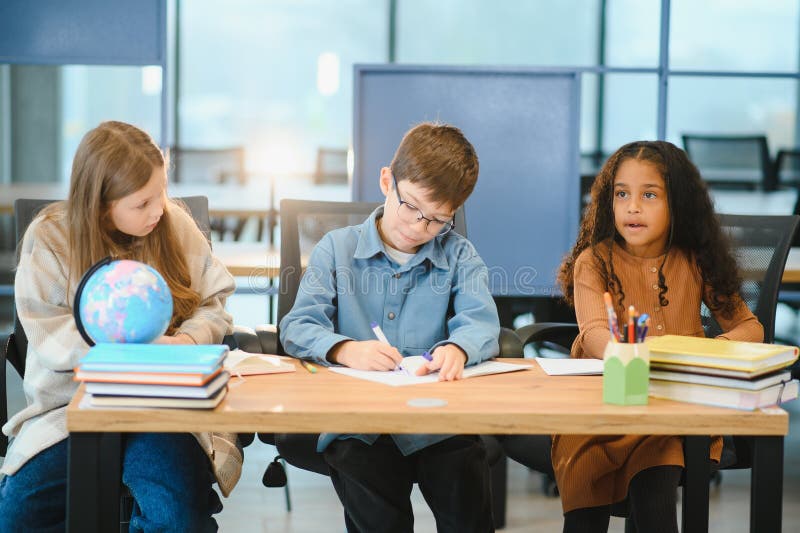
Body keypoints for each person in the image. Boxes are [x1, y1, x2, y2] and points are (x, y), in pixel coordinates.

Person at [0, 121, 242, 531]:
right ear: (100, 204)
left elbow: (214, 302)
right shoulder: (51, 239)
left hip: (162, 408)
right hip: (71, 410)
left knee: (175, 518)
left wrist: (186, 340)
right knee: (17, 517)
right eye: (141, 203)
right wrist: (133, 357)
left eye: (161, 192)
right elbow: (49, 334)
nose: (159, 210)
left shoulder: (173, 225)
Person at [279, 122, 500, 532]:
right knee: (373, 498)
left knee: (465, 486)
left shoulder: (459, 255)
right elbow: (297, 326)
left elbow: (481, 321)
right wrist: (345, 349)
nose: (418, 227)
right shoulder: (337, 248)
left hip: (436, 423)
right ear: (387, 181)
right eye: (411, 207)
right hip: (360, 425)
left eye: (436, 220)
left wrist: (459, 349)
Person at [553, 140, 763, 533]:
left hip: (672, 410)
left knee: (658, 472)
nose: (633, 206)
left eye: (649, 194)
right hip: (604, 408)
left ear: (677, 203)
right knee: (586, 476)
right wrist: (629, 355)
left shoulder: (697, 260)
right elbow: (596, 334)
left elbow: (751, 327)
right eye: (622, 194)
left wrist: (700, 351)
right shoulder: (593, 262)